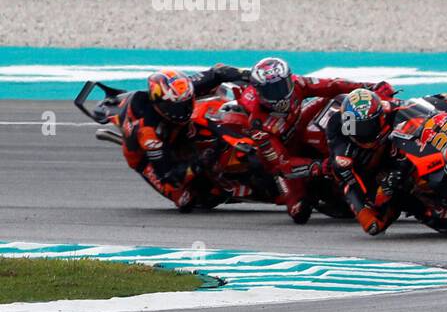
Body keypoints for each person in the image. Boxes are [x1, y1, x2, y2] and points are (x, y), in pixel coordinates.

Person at [231, 56, 394, 222]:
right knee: (299, 212)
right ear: (260, 92)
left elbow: (333, 85)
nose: (281, 93)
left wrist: (370, 87)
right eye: (273, 91)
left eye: (283, 86)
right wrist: (320, 166)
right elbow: (281, 164)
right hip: (287, 156)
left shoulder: (297, 84)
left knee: (337, 99)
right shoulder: (258, 124)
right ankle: (328, 192)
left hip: (301, 124)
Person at [119, 64, 249, 209]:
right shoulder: (149, 134)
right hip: (148, 156)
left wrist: (248, 76)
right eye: (175, 108)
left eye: (185, 104)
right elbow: (168, 175)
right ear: (160, 104)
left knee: (220, 92)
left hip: (177, 128)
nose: (182, 111)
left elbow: (219, 71)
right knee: (186, 200)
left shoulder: (181, 91)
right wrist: (198, 164)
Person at [325, 87, 398, 235]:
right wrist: (363, 211)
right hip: (366, 168)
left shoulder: (385, 108)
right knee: (374, 224)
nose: (366, 132)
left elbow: (412, 107)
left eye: (370, 124)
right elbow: (347, 178)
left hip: (392, 148)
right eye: (359, 127)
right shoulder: (337, 129)